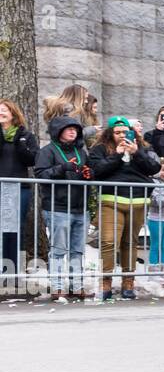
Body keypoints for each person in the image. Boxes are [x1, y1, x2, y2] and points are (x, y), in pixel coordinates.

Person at [88, 117, 160, 301]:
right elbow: (97, 171)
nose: (122, 135)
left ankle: (128, 283)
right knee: (109, 242)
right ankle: (105, 283)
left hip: (138, 200)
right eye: (117, 132)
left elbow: (154, 168)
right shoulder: (100, 149)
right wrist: (118, 155)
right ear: (110, 134)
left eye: (125, 132)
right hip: (111, 201)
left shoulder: (142, 147)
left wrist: (137, 152)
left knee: (130, 242)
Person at [33, 116, 92, 299]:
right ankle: (57, 287)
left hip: (80, 207)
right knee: (58, 249)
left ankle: (77, 286)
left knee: (78, 250)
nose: (73, 131)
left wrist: (88, 174)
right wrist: (62, 168)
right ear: (58, 131)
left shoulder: (81, 152)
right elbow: (41, 174)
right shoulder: (48, 151)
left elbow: (86, 173)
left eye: (75, 129)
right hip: (57, 207)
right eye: (68, 128)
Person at [0, 99, 39, 281]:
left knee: (15, 228)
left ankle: (12, 270)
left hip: (18, 188)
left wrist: (21, 144)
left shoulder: (25, 135)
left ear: (13, 113)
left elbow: (31, 160)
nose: (1, 113)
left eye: (4, 110)